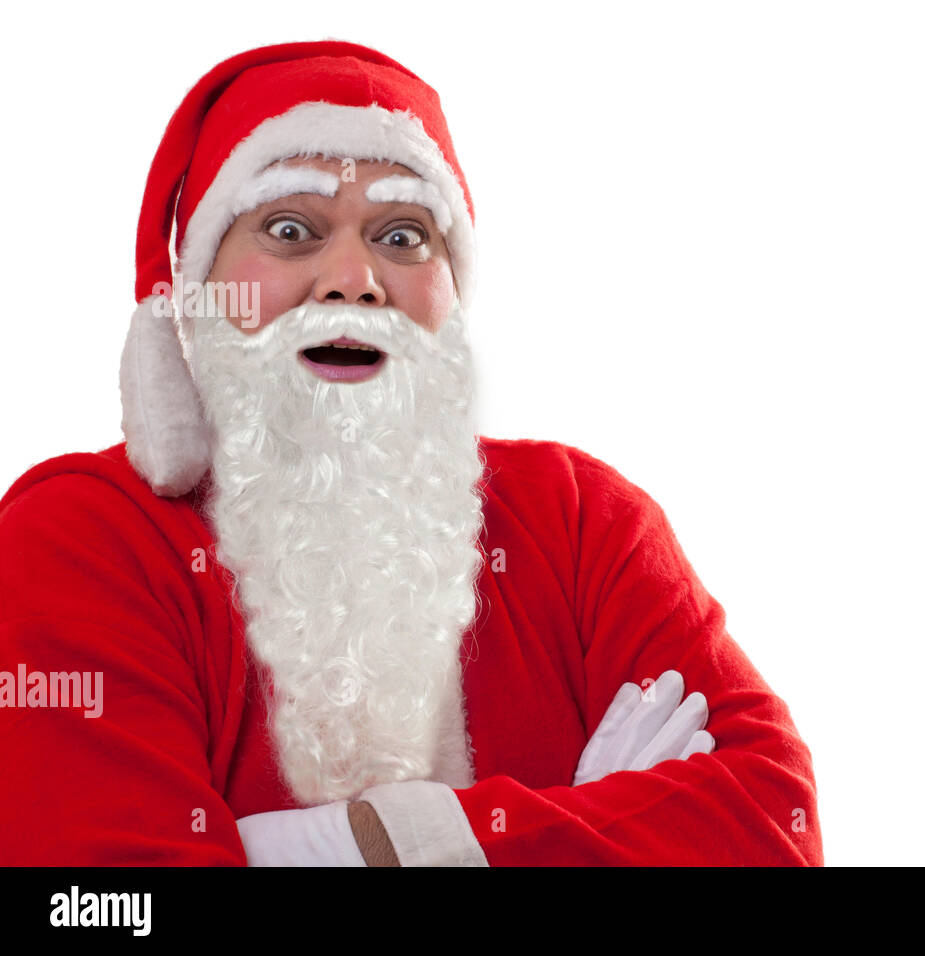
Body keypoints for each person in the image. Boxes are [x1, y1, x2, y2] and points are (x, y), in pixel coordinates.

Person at [0, 40, 821, 866]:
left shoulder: (585, 524)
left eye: (402, 236)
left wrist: (346, 847)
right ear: (202, 288)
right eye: (290, 229)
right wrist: (588, 827)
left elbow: (770, 817)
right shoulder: (79, 540)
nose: (353, 278)